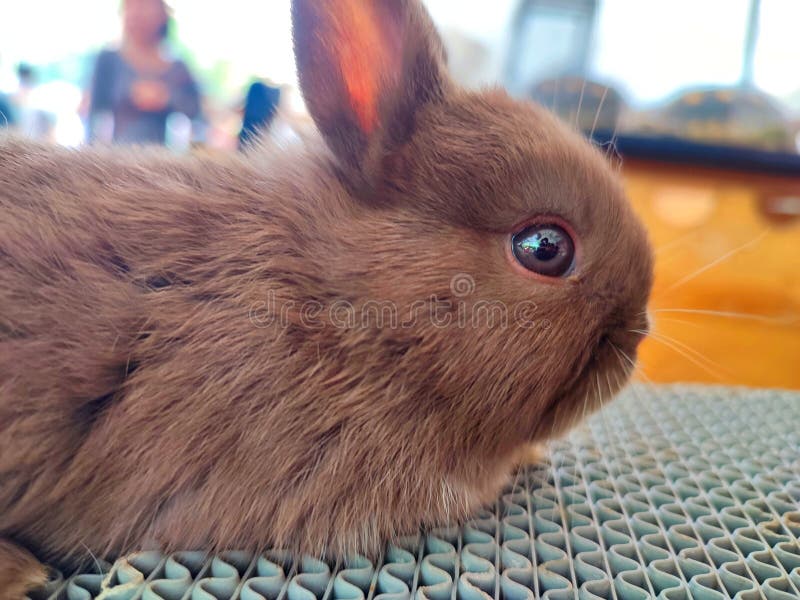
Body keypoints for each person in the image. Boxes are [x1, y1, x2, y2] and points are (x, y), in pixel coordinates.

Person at [87, 0, 202, 145]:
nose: (135, 14)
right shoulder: (108, 59)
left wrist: (166, 98)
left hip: (161, 159)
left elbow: (197, 112)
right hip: (114, 157)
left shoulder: (178, 66)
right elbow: (95, 114)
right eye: (130, 7)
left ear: (162, 13)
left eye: (143, 6)